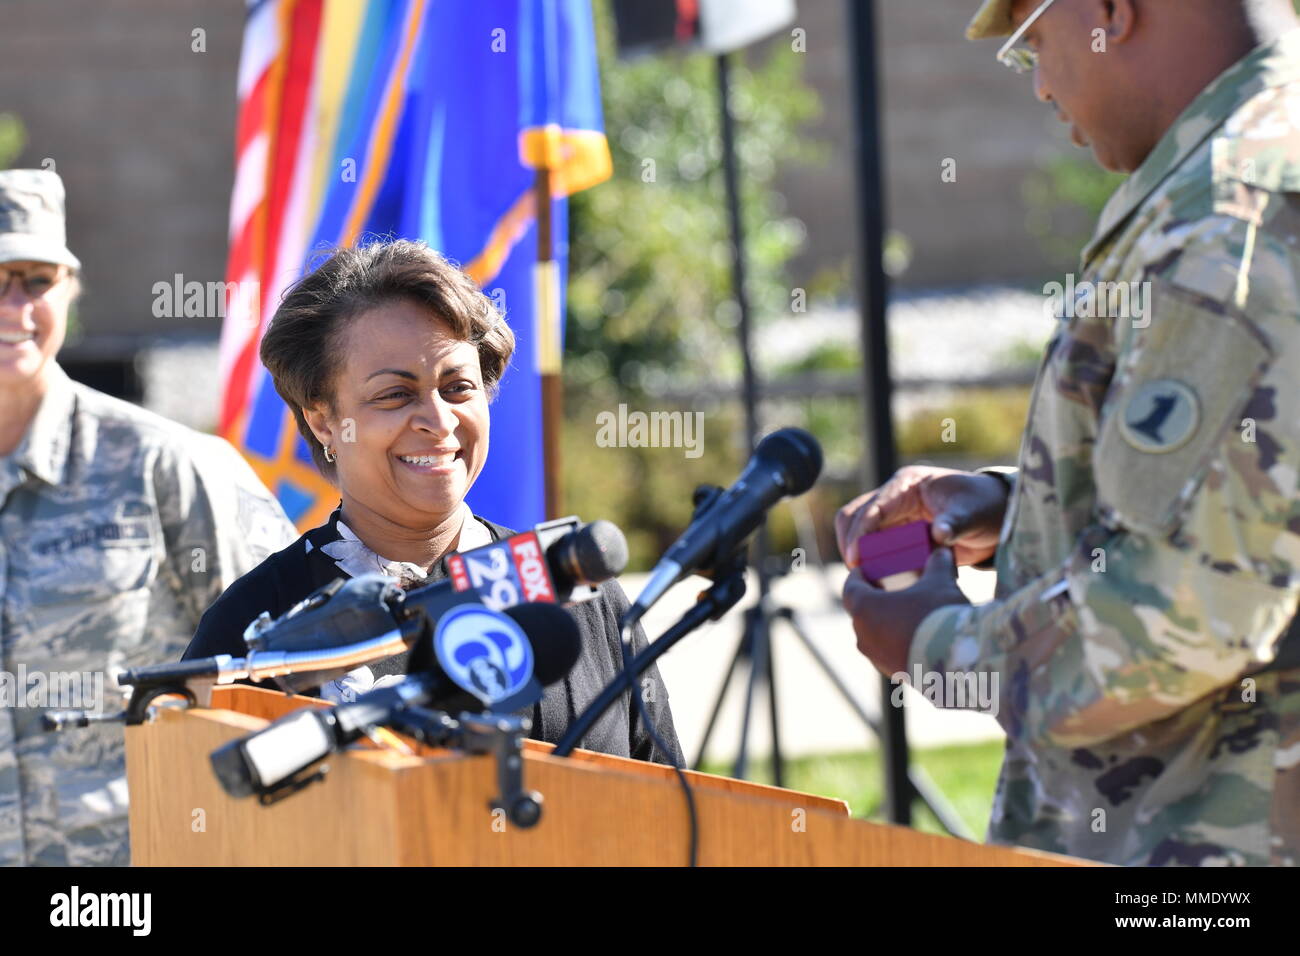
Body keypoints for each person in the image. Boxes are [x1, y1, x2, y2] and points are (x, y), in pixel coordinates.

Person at [836, 0, 1300, 867]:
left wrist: (938, 643)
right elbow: (1257, 498)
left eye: (1032, 47)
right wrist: (1025, 510)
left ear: (1114, 13)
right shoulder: (1241, 173)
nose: (1043, 88)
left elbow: (1187, 607)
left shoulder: (1228, 219)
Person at [182, 239, 683, 766]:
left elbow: (676, 811)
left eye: (458, 386)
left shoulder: (577, 588)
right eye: (395, 395)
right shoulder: (253, 626)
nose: (438, 420)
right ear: (323, 419)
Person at [0, 168, 298, 866]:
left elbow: (290, 667)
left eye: (36, 280)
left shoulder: (166, 466)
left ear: (70, 292)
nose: (15, 305)